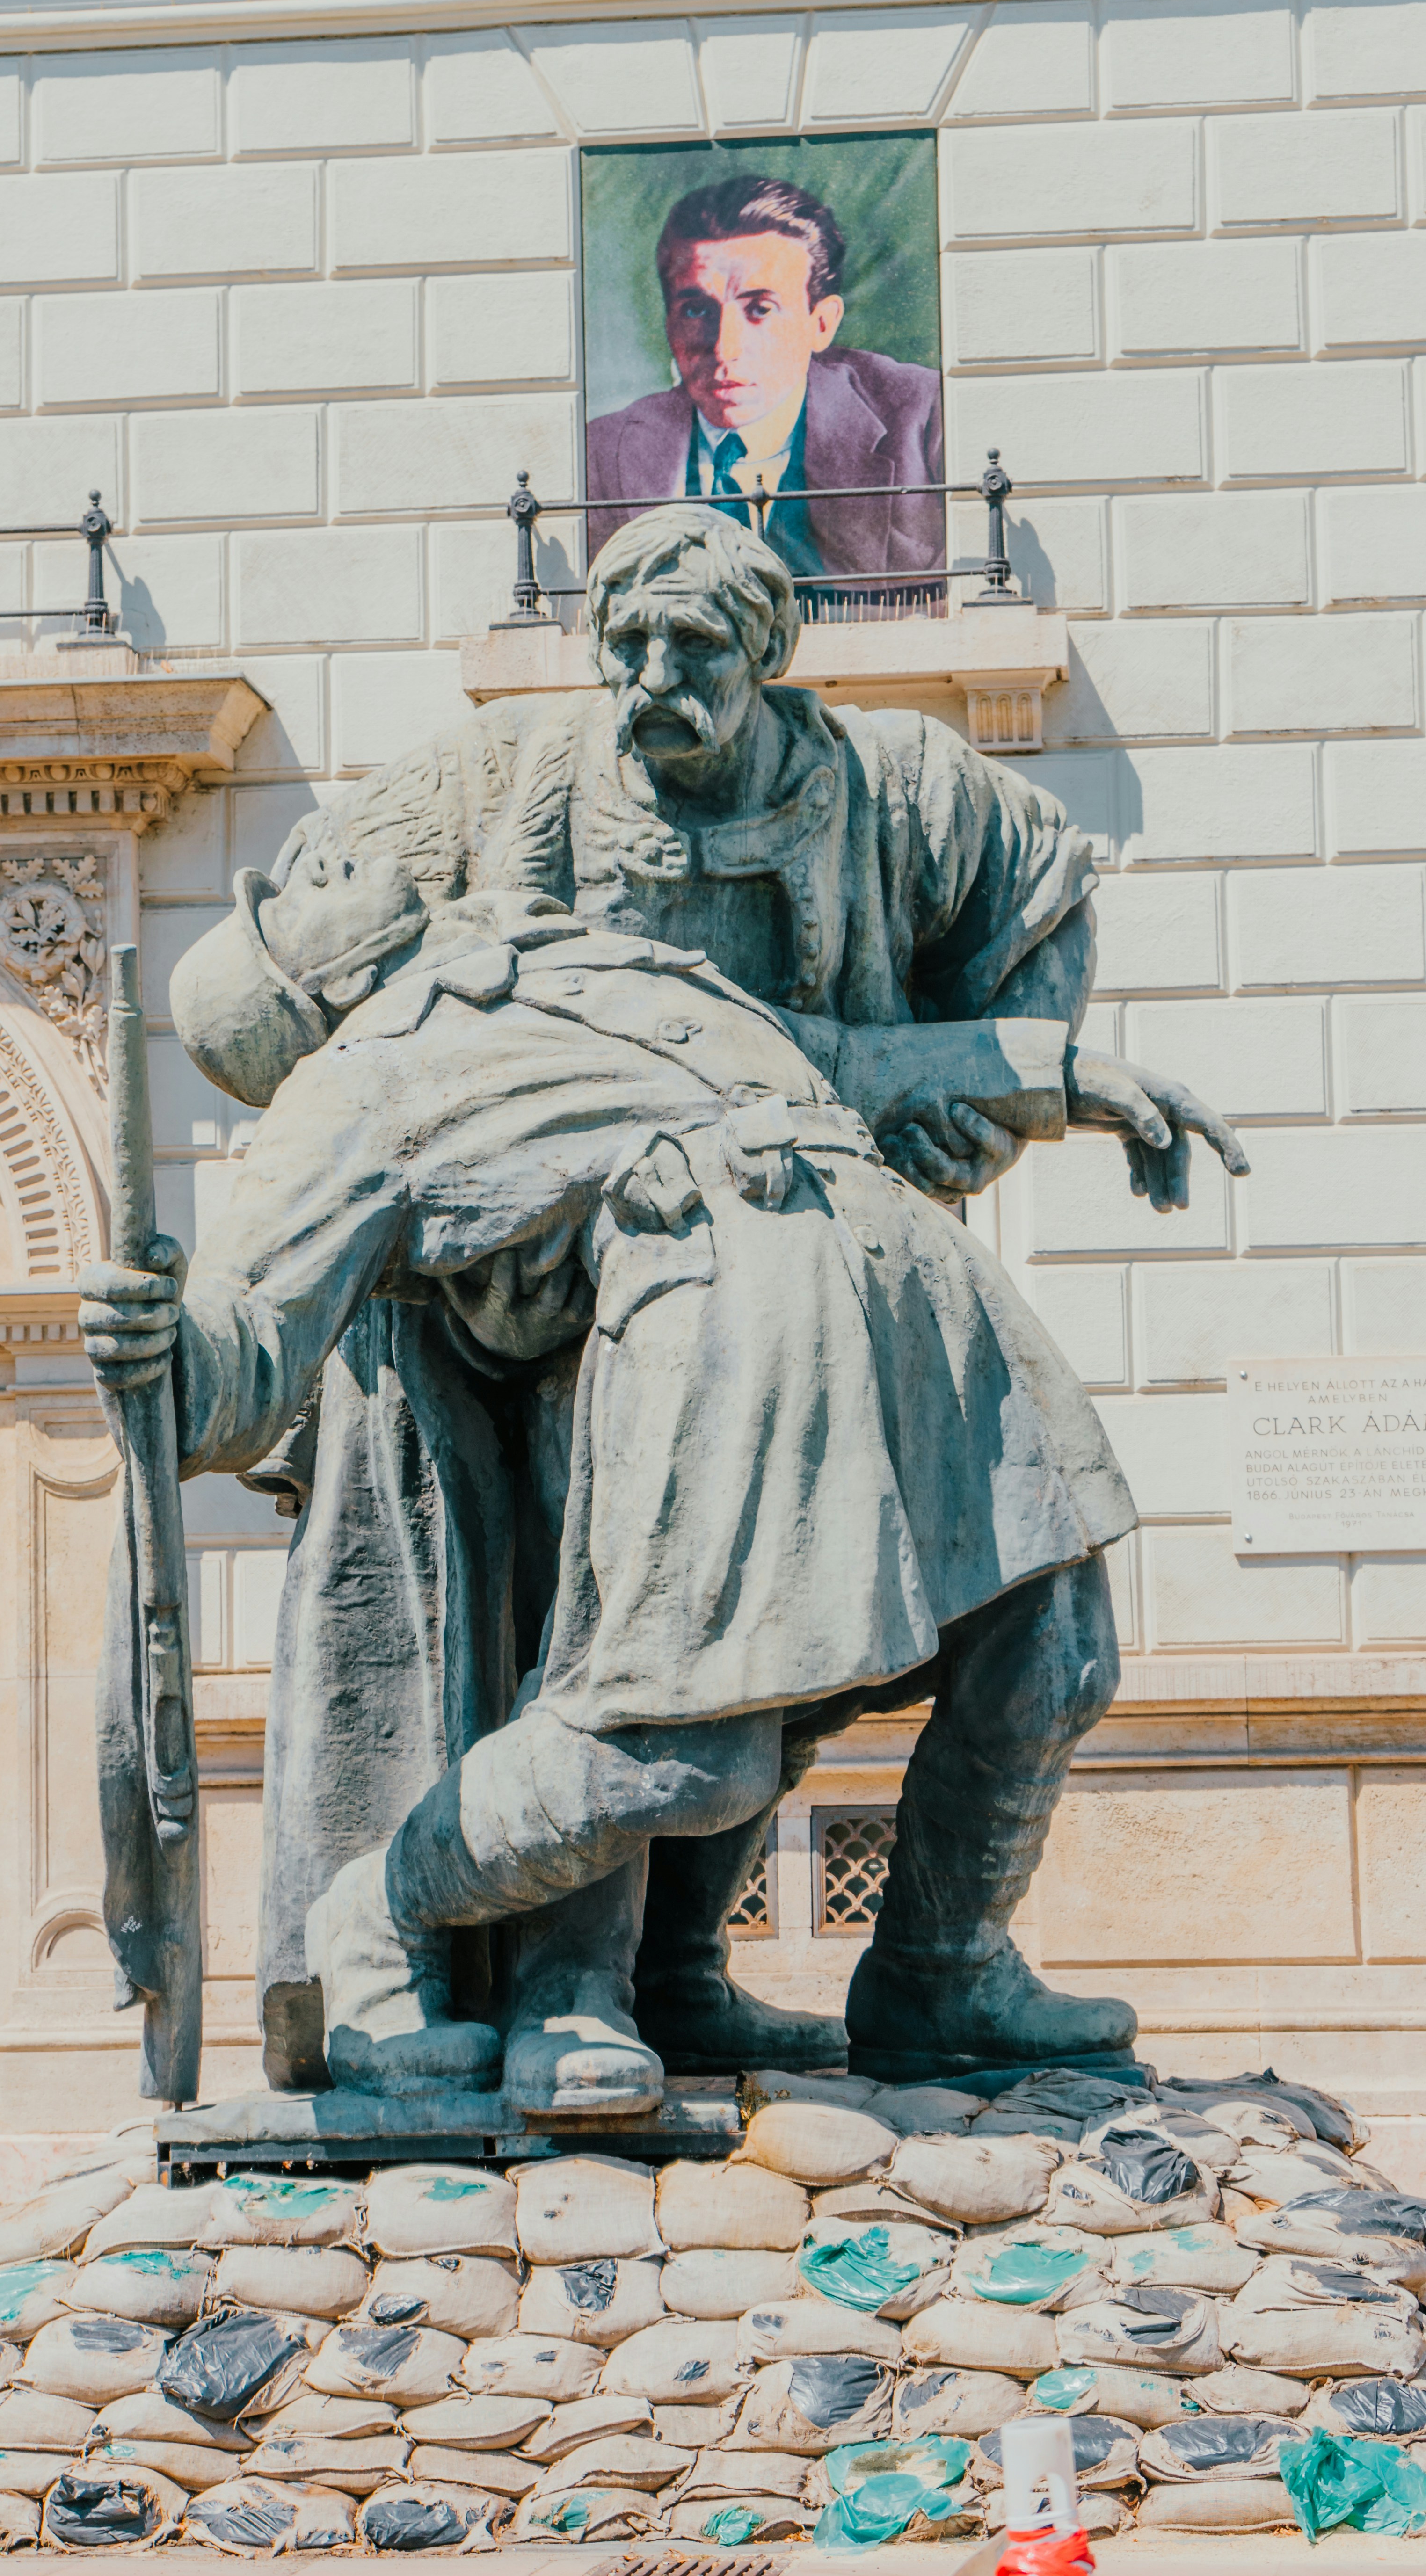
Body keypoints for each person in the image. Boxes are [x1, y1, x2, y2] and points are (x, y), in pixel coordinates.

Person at [80, 506, 1249, 2107]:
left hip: (901, 1326)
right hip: (705, 1349)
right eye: (317, 891)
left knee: (1055, 1651)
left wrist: (1067, 1076)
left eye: (685, 645)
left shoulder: (601, 969)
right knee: (680, 1740)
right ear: (320, 982)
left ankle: (937, 1969)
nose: (347, 858)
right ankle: (460, 1941)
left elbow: (847, 1062)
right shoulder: (372, 1083)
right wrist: (169, 1350)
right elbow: (248, 1340)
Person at [586, 174, 944, 604]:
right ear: (668, 323)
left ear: (821, 323)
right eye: (696, 310)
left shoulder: (923, 419)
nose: (725, 348)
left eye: (760, 309)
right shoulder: (603, 454)